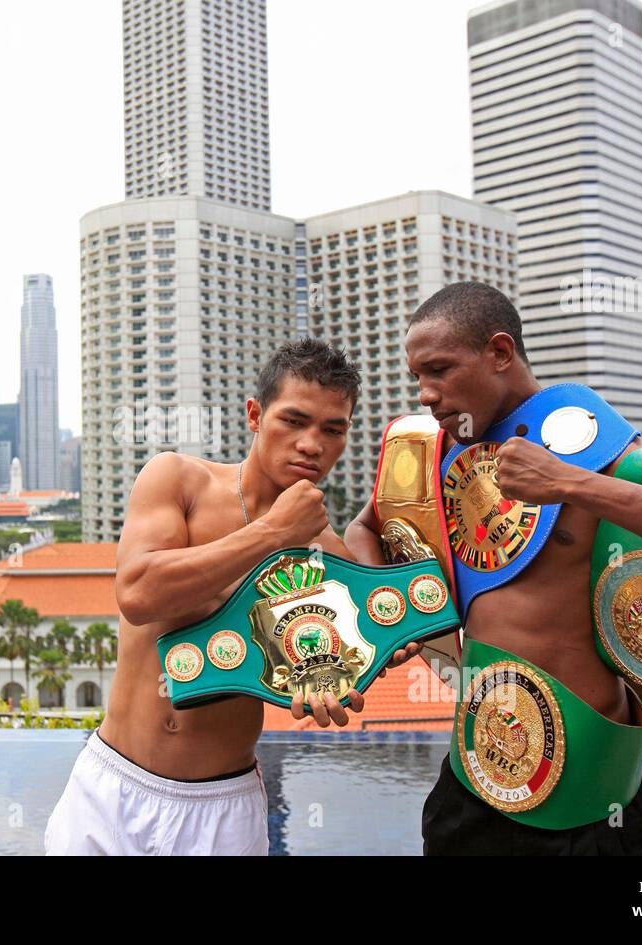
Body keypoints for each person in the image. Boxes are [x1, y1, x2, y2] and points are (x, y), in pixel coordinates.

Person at [346, 282, 642, 855]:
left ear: (500, 353)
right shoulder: (431, 456)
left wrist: (571, 483)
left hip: (595, 803)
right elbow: (365, 527)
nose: (426, 395)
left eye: (440, 370)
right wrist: (395, 610)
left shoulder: (606, 455)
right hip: (472, 784)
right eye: (418, 378)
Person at [45, 338, 413, 856]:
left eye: (334, 430)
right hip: (112, 786)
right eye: (295, 420)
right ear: (255, 415)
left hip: (222, 805)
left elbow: (324, 666)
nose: (313, 443)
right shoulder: (179, 479)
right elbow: (138, 592)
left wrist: (327, 687)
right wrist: (273, 534)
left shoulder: (328, 557)